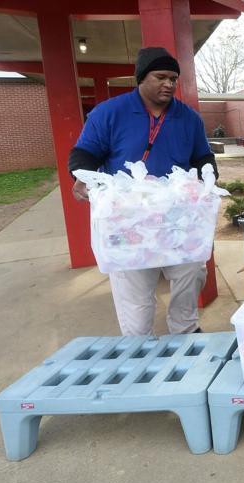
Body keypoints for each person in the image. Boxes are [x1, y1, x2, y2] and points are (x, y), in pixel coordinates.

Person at [69, 47, 217, 337]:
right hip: (129, 221)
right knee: (135, 306)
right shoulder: (109, 113)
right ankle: (138, 347)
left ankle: (185, 336)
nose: (169, 84)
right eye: (161, 77)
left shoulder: (188, 118)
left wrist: (208, 180)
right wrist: (82, 177)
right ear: (141, 78)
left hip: (178, 221)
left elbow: (202, 157)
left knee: (190, 278)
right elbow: (84, 153)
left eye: (174, 78)